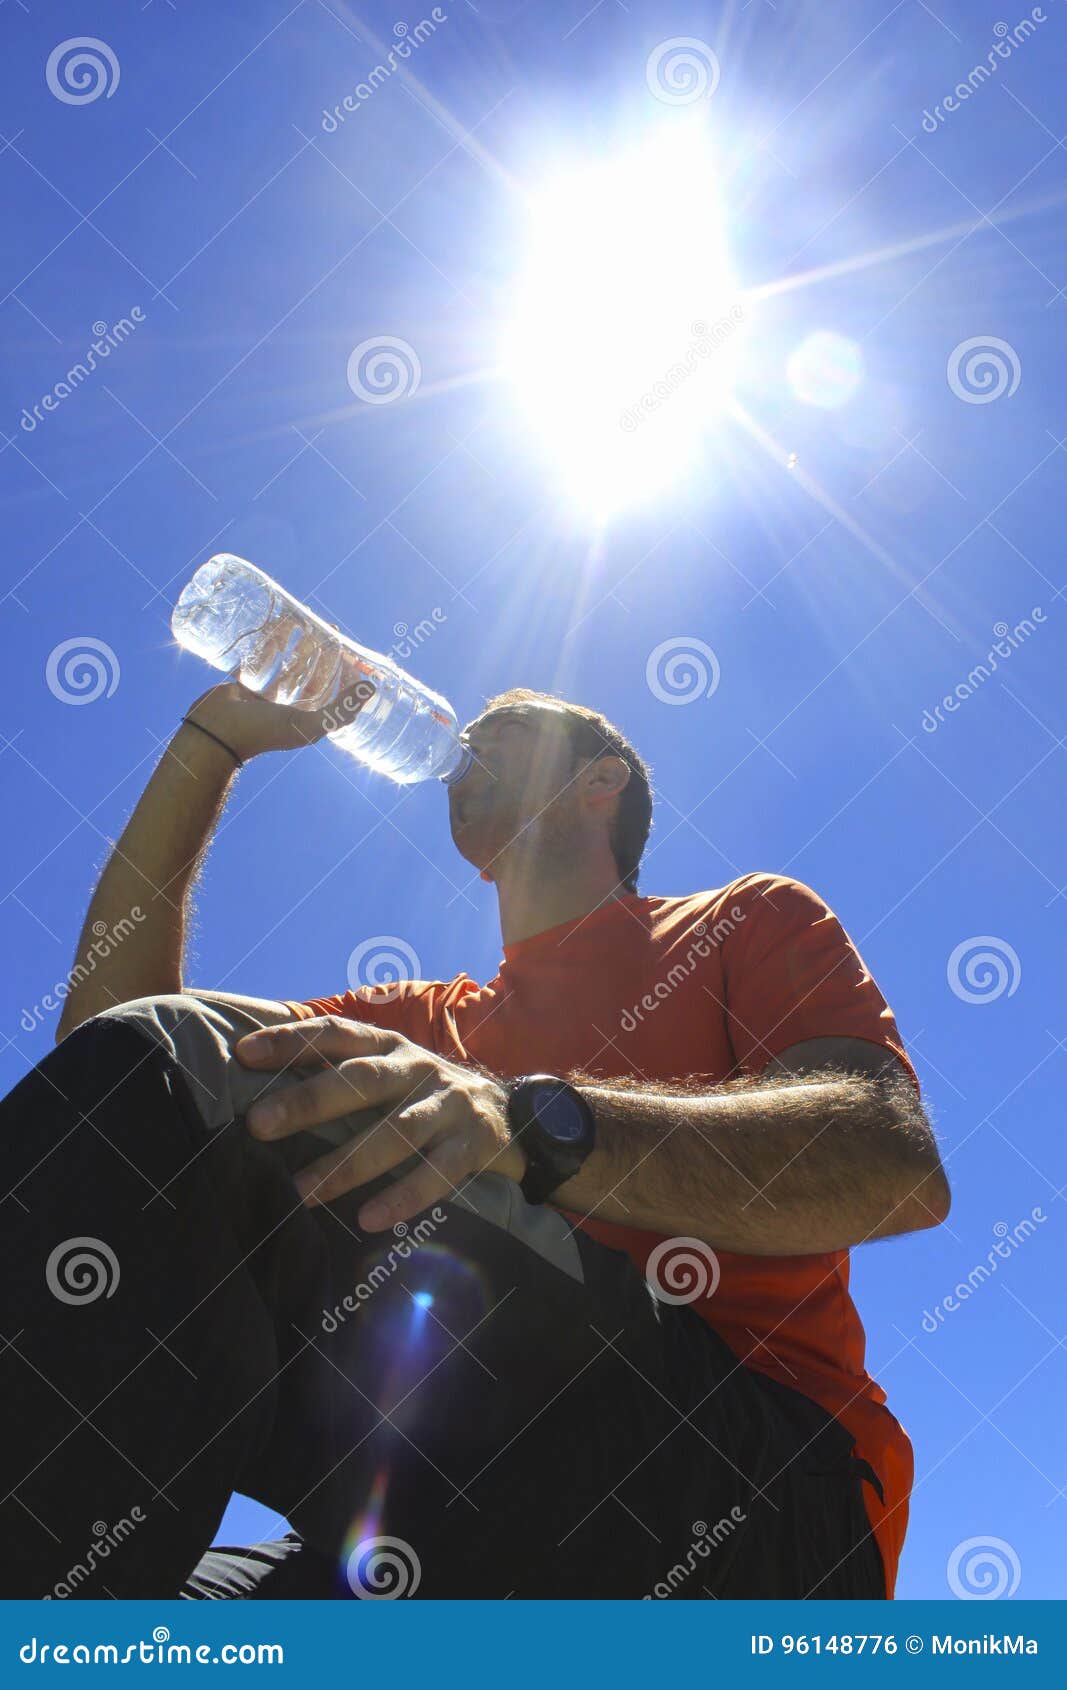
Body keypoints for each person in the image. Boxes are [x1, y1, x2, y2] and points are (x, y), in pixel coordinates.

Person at [0, 678, 949, 1600]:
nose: (470, 746)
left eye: (510, 729)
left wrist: (528, 1125)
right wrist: (212, 743)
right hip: (441, 1519)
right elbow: (123, 1075)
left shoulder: (741, 921)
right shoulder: (424, 1026)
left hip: (771, 1497)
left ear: (600, 778)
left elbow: (890, 1163)